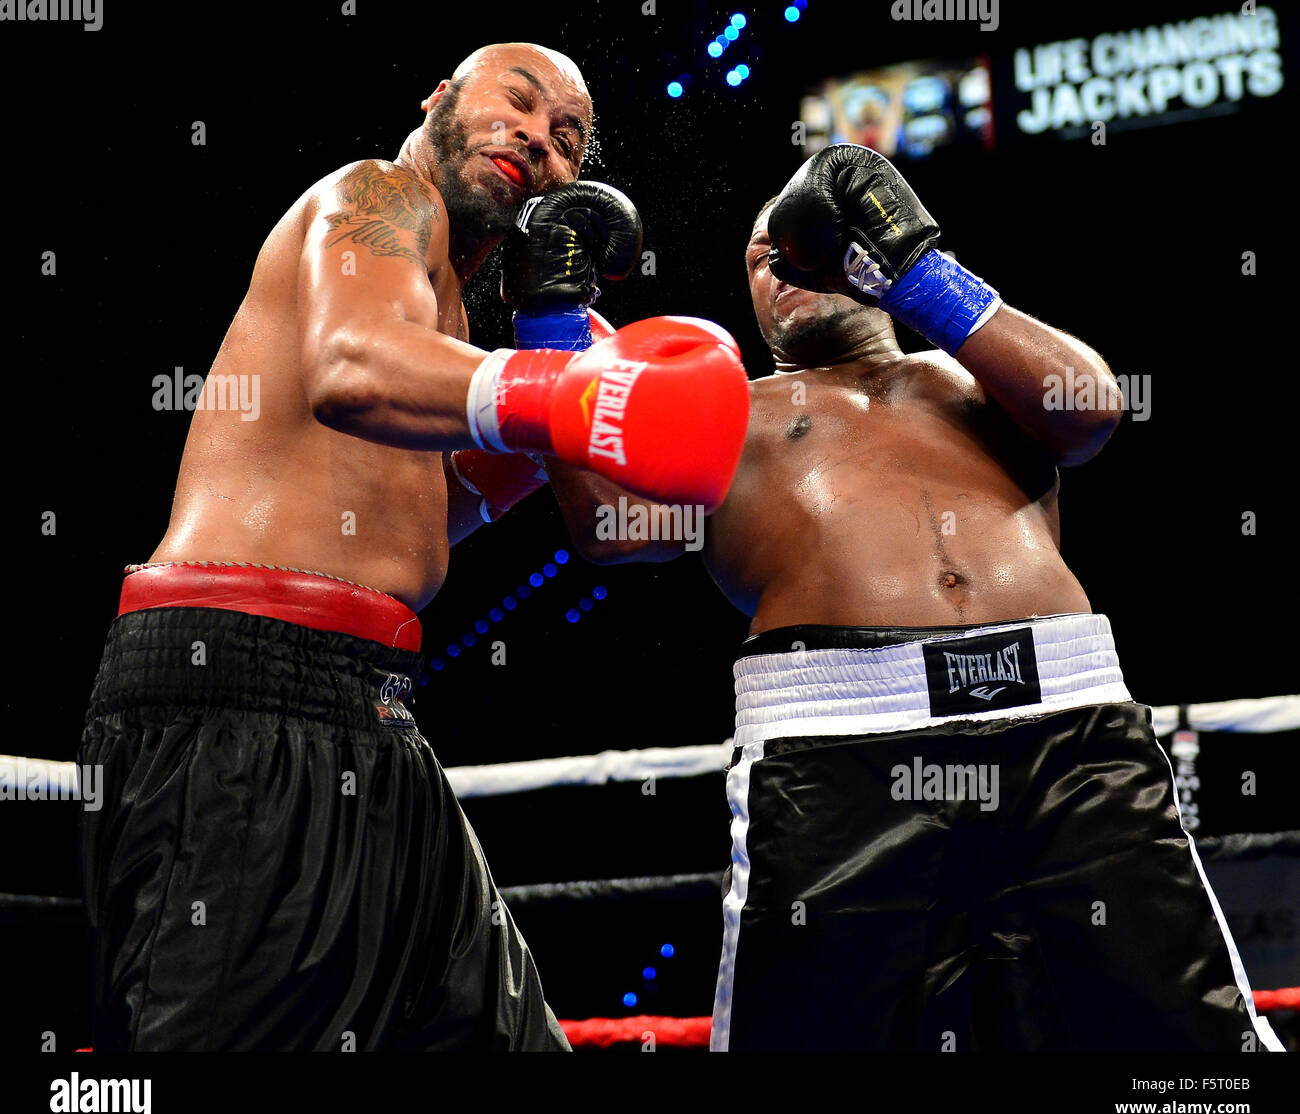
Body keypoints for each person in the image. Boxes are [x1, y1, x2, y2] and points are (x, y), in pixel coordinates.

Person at [79, 41, 749, 1051]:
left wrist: (558, 331)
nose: (537, 136)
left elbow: (619, 533)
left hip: (372, 708)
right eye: (517, 102)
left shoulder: (446, 330)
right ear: (440, 97)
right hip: (236, 684)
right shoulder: (375, 200)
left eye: (568, 139)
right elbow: (351, 368)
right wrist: (569, 392)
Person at [547, 144, 1283, 1052]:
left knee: (1183, 1052)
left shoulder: (977, 379)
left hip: (1071, 731)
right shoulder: (729, 413)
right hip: (838, 755)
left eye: (800, 241)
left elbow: (1091, 410)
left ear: (861, 253)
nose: (781, 263)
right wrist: (550, 326)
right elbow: (608, 530)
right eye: (760, 257)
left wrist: (919, 270)